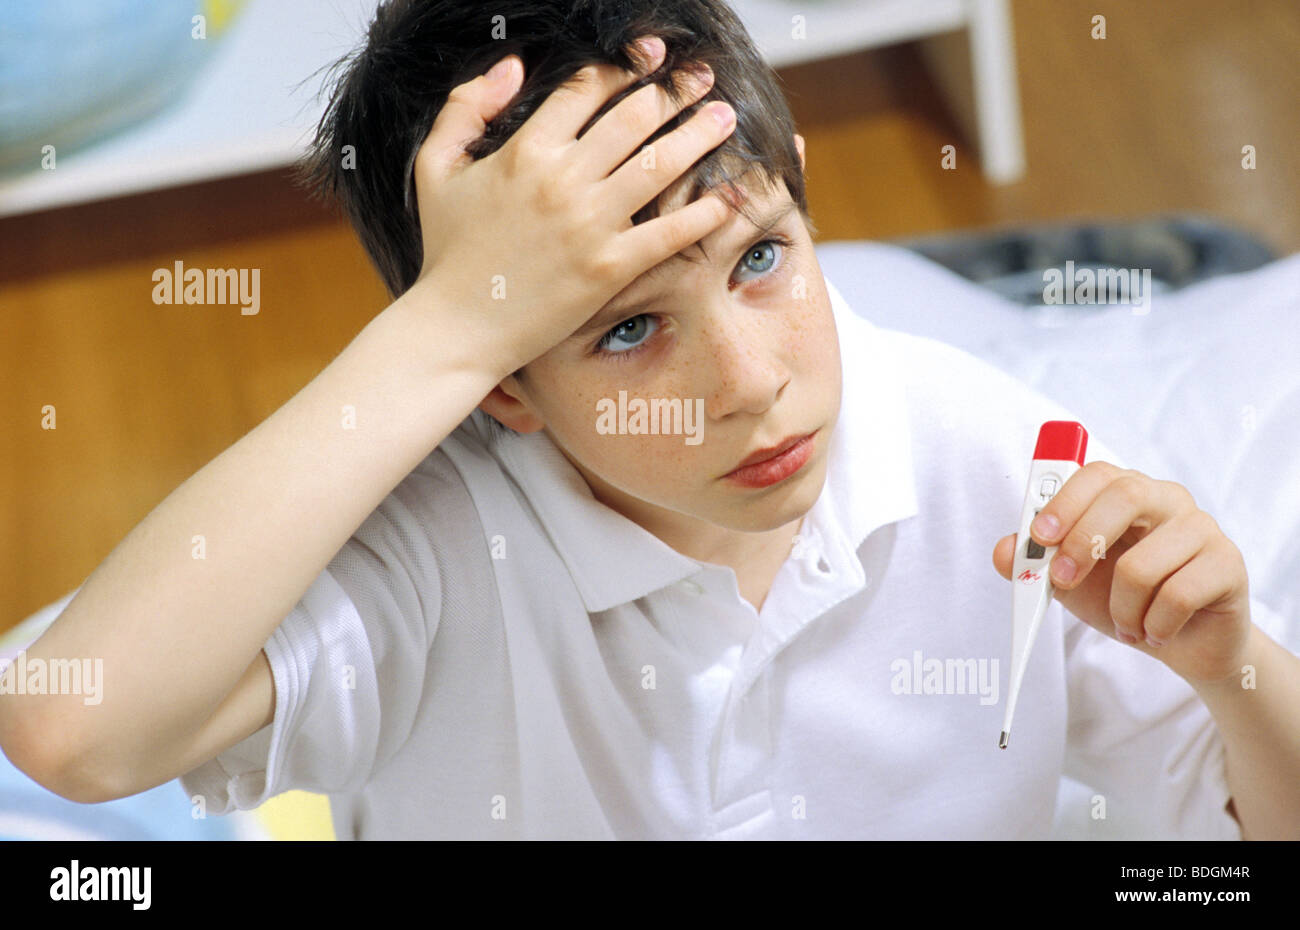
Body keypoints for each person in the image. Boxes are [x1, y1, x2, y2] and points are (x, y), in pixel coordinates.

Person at [2, 0, 1296, 839]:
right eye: (626, 328)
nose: (747, 380)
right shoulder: (440, 550)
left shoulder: (995, 467)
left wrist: (1235, 659)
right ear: (499, 379)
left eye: (761, 260)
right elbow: (71, 729)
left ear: (799, 199)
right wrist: (447, 325)